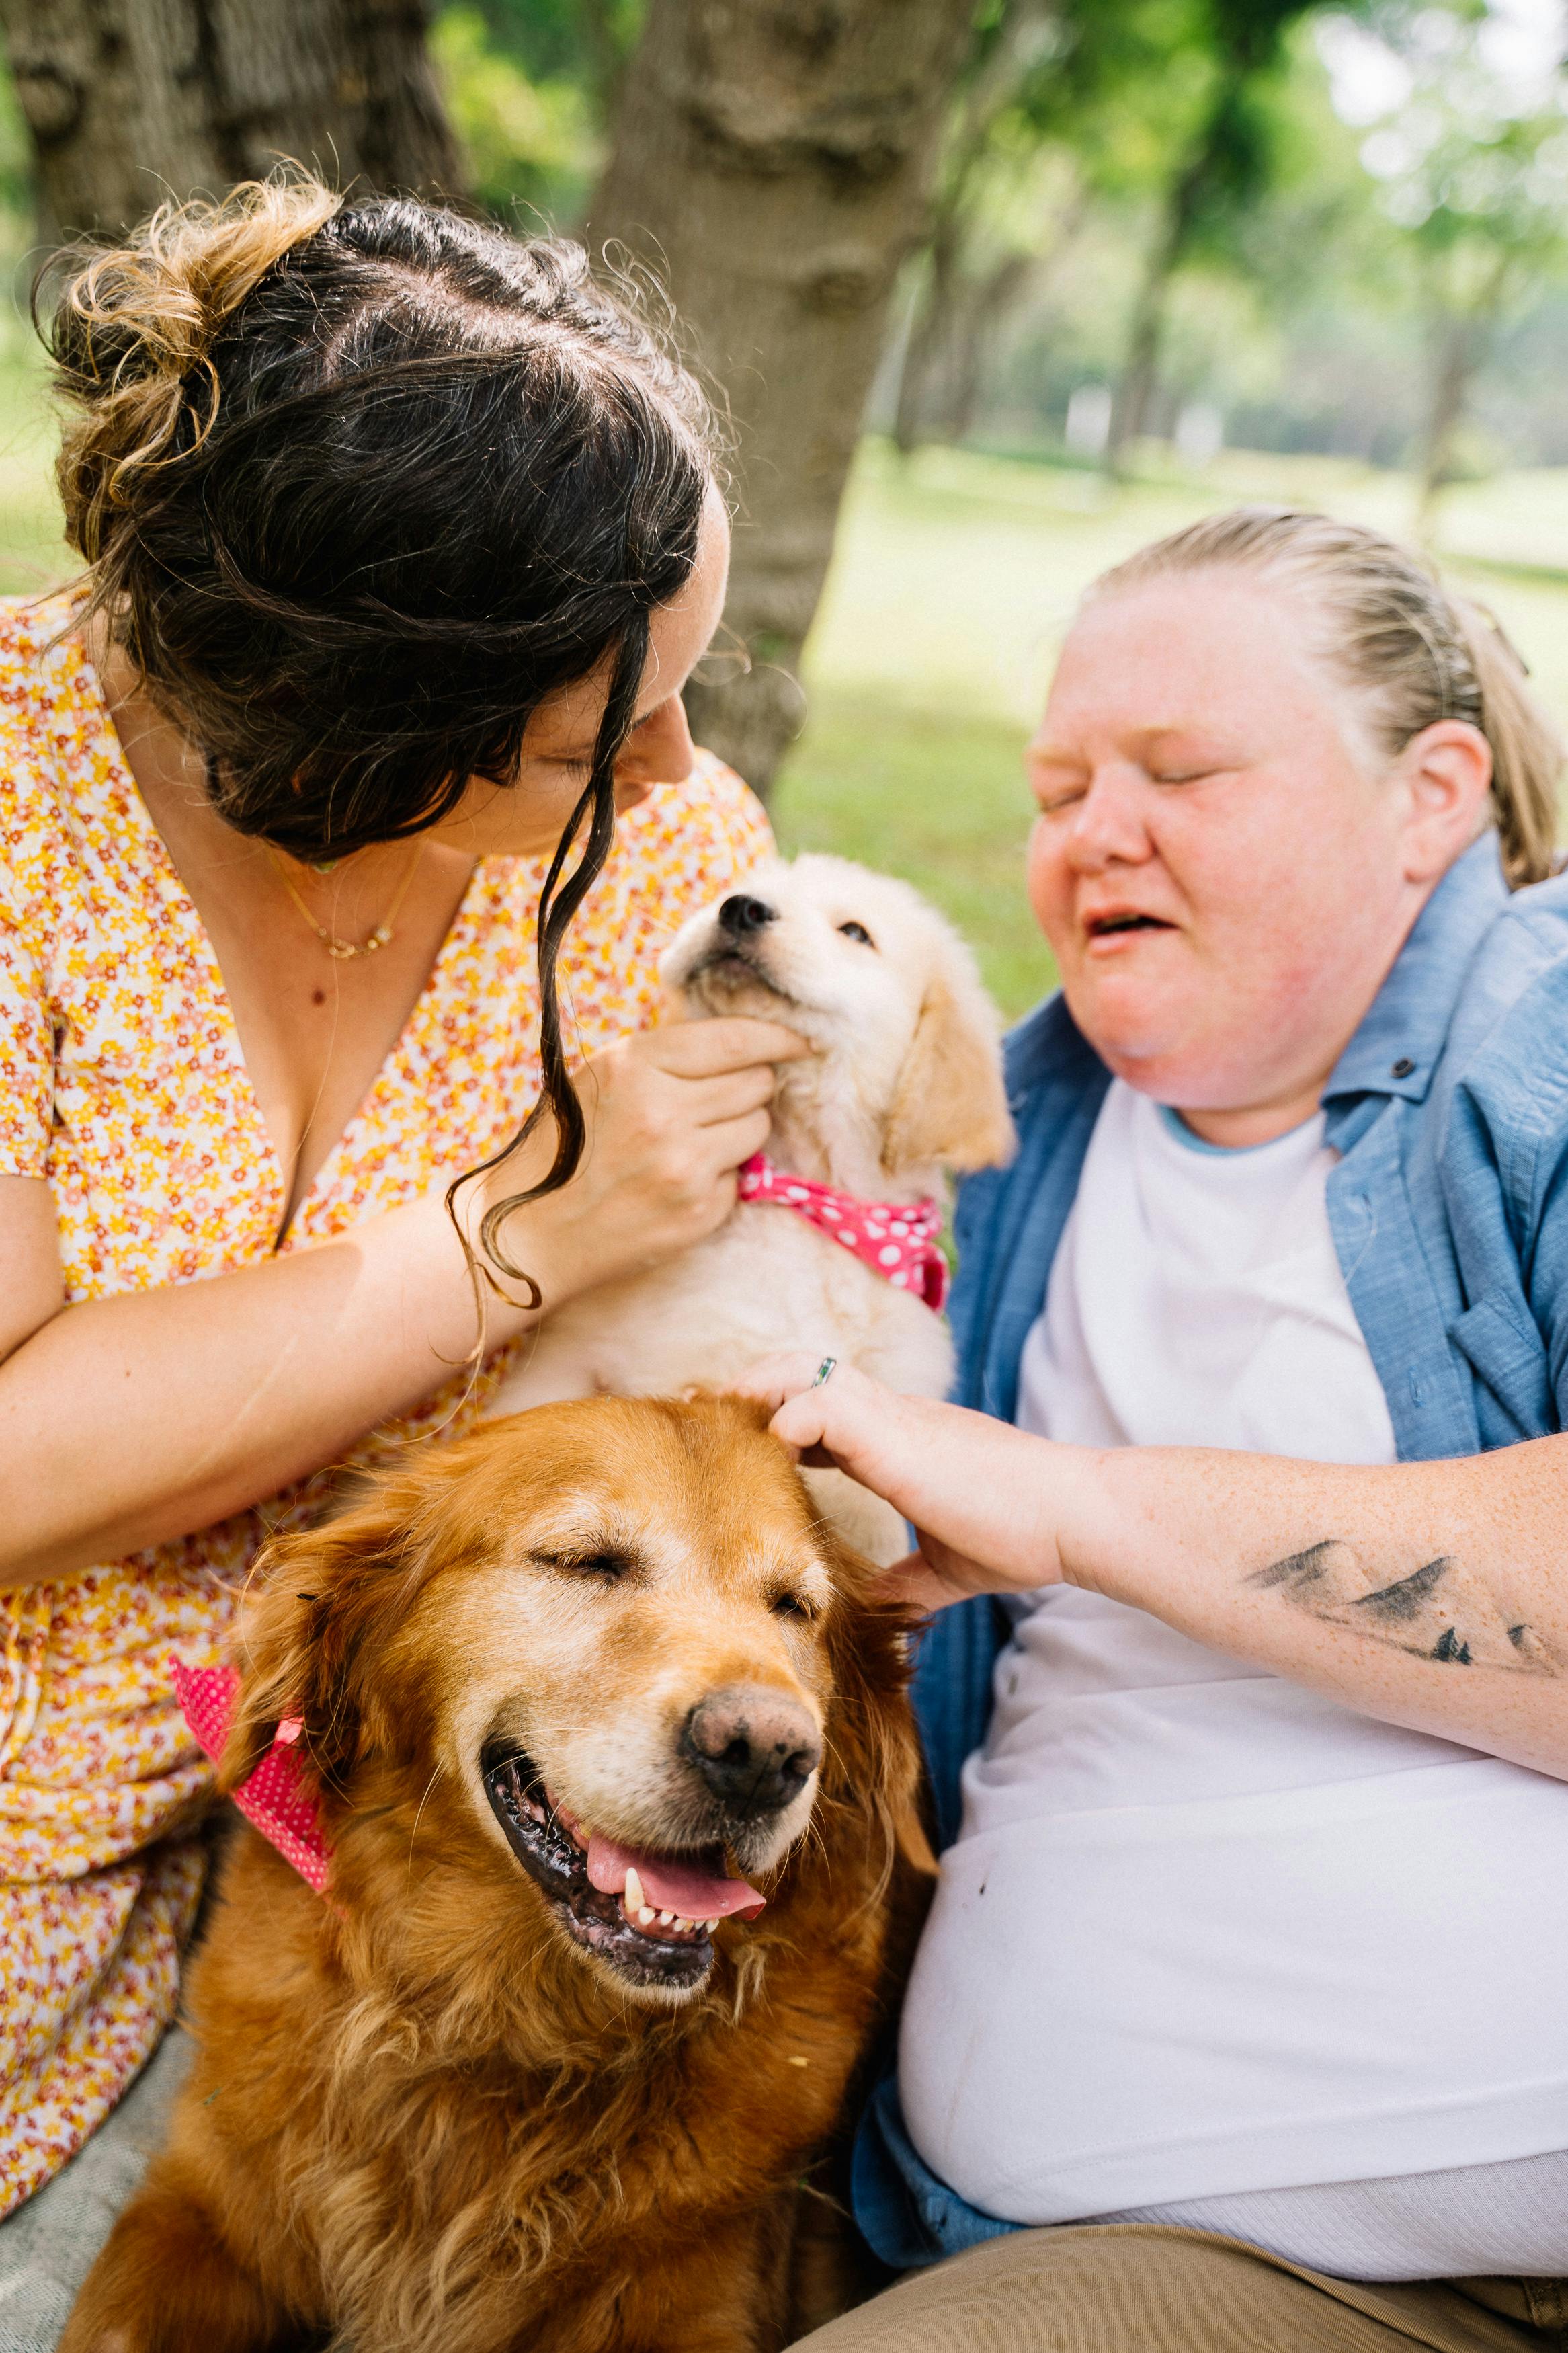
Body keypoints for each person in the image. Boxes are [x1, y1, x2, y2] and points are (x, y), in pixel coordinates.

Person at [0, 173, 805, 2343]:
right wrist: (522, 1242)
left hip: (331, 1873)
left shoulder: (661, 863)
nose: (677, 772)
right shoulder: (10, 801)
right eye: (590, 735)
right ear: (357, 726)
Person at [747, 510, 1568, 2352]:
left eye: (1181, 771)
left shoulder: (1547, 1040)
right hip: (1027, 2205)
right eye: (1057, 789)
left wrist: (1078, 1506)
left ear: (1430, 797)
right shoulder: (1000, 1142)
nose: (1092, 832)